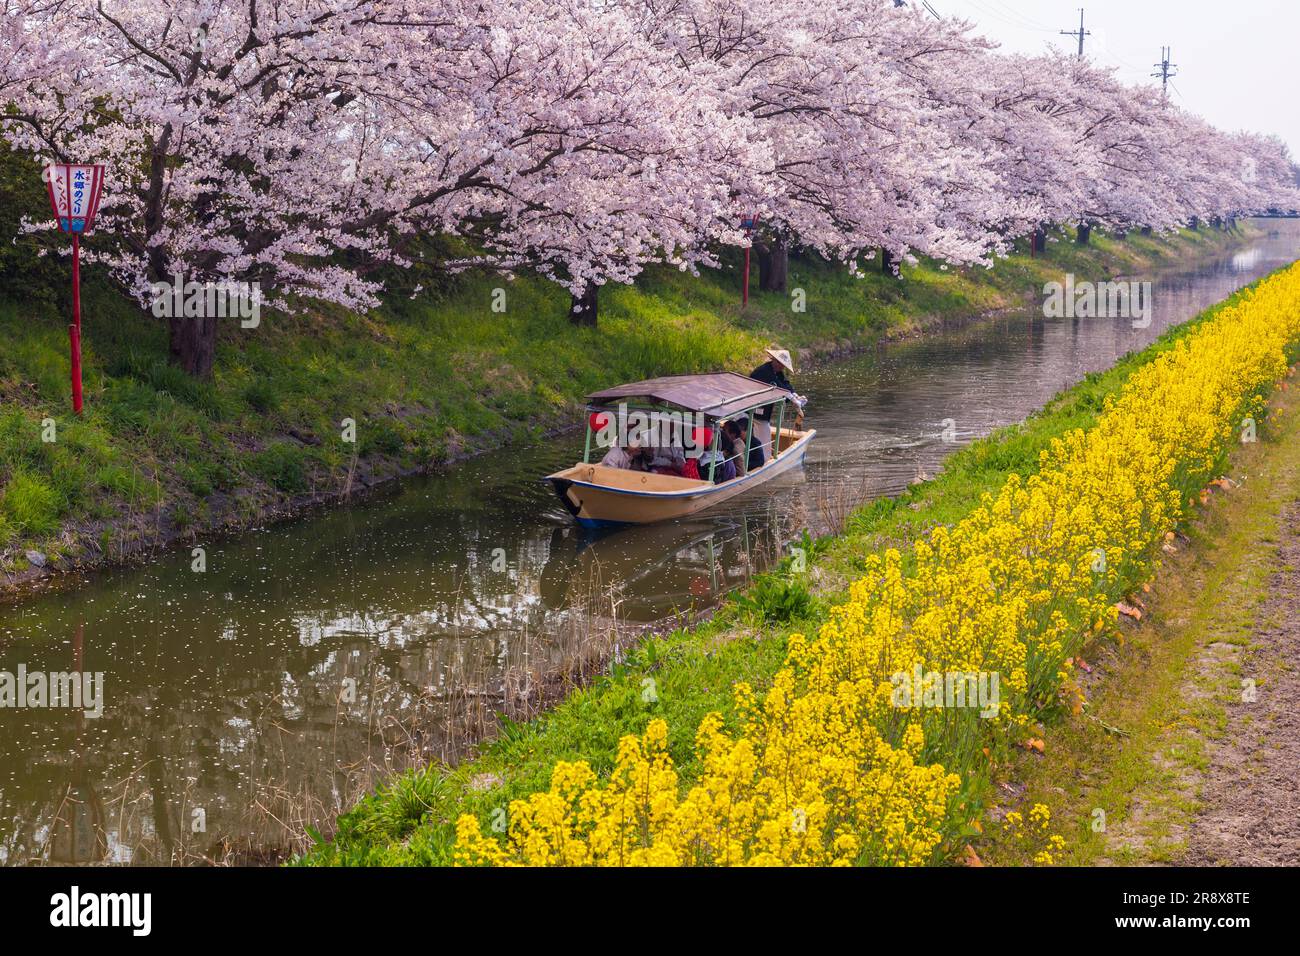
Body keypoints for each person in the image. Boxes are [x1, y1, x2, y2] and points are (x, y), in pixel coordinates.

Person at [749, 347, 806, 457]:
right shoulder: (765, 371)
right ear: (773, 360)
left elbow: (785, 384)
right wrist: (793, 400)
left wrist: (796, 395)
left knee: (762, 430)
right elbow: (779, 388)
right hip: (754, 407)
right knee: (764, 431)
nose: (781, 366)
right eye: (779, 363)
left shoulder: (777, 372)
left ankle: (762, 457)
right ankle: (765, 459)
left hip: (762, 409)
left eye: (783, 364)